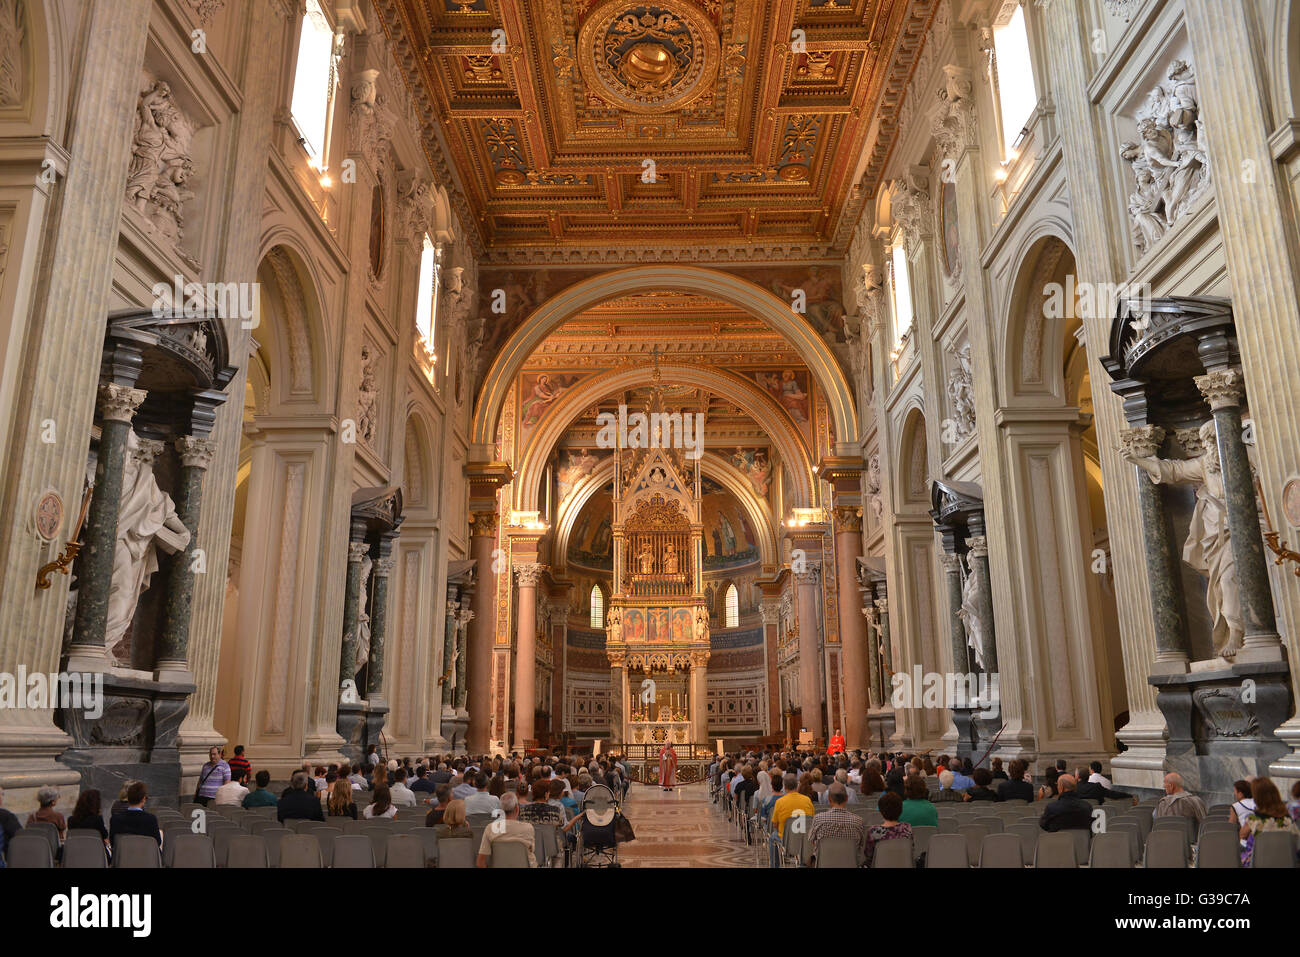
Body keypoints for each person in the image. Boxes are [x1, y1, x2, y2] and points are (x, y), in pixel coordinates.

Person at [1238, 777, 1299, 866]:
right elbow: (1297, 843)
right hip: (1285, 862)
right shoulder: (1288, 819)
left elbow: (1242, 835)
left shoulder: (1253, 820)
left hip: (1259, 862)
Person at [806, 782, 865, 865]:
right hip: (849, 864)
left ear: (829, 799)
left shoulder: (818, 819)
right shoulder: (858, 821)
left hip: (825, 863)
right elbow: (861, 844)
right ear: (847, 798)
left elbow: (812, 840)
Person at [476, 791, 536, 867]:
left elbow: (480, 862)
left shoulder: (490, 828)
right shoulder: (528, 828)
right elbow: (531, 852)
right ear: (517, 809)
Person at [769, 772, 814, 867]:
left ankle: (775, 865)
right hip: (805, 839)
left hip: (785, 840)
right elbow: (812, 821)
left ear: (784, 787)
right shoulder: (807, 800)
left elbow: (775, 824)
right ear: (797, 786)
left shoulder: (780, 802)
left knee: (773, 836)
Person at [863, 791, 913, 868]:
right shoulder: (907, 828)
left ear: (881, 811)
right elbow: (911, 850)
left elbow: (868, 855)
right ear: (900, 810)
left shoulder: (873, 831)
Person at [109, 780, 162, 851]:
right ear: (143, 799)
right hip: (146, 857)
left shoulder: (115, 819)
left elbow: (113, 843)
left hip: (123, 857)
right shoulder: (151, 819)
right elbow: (157, 842)